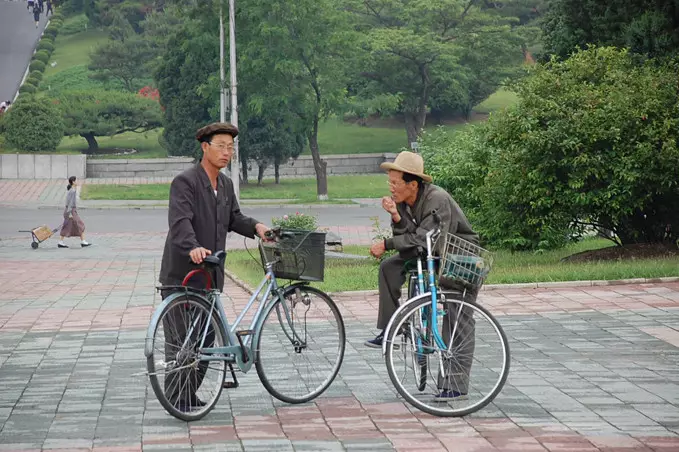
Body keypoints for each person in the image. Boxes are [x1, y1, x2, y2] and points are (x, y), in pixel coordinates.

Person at [158, 122, 271, 412]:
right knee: (182, 341)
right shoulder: (185, 182)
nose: (226, 152)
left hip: (211, 275)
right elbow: (180, 222)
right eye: (220, 145)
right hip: (183, 275)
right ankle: (177, 398)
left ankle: (186, 395)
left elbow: (234, 218)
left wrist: (256, 226)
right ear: (204, 147)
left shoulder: (226, 184)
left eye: (230, 147)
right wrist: (193, 246)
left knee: (206, 339)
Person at [365, 151, 479, 400]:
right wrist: (396, 215)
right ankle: (389, 328)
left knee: (456, 313)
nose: (391, 187)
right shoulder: (407, 202)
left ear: (412, 184)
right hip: (428, 253)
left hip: (457, 257)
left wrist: (386, 243)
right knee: (389, 267)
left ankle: (456, 385)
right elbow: (410, 236)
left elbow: (423, 238)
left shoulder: (437, 199)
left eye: (395, 183)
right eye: (390, 182)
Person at [58, 176, 91, 248]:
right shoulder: (72, 191)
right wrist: (70, 213)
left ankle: (61, 242)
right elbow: (69, 203)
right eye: (76, 180)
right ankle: (83, 242)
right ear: (73, 182)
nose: (77, 181)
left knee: (67, 226)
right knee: (80, 224)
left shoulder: (72, 190)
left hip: (70, 211)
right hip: (70, 211)